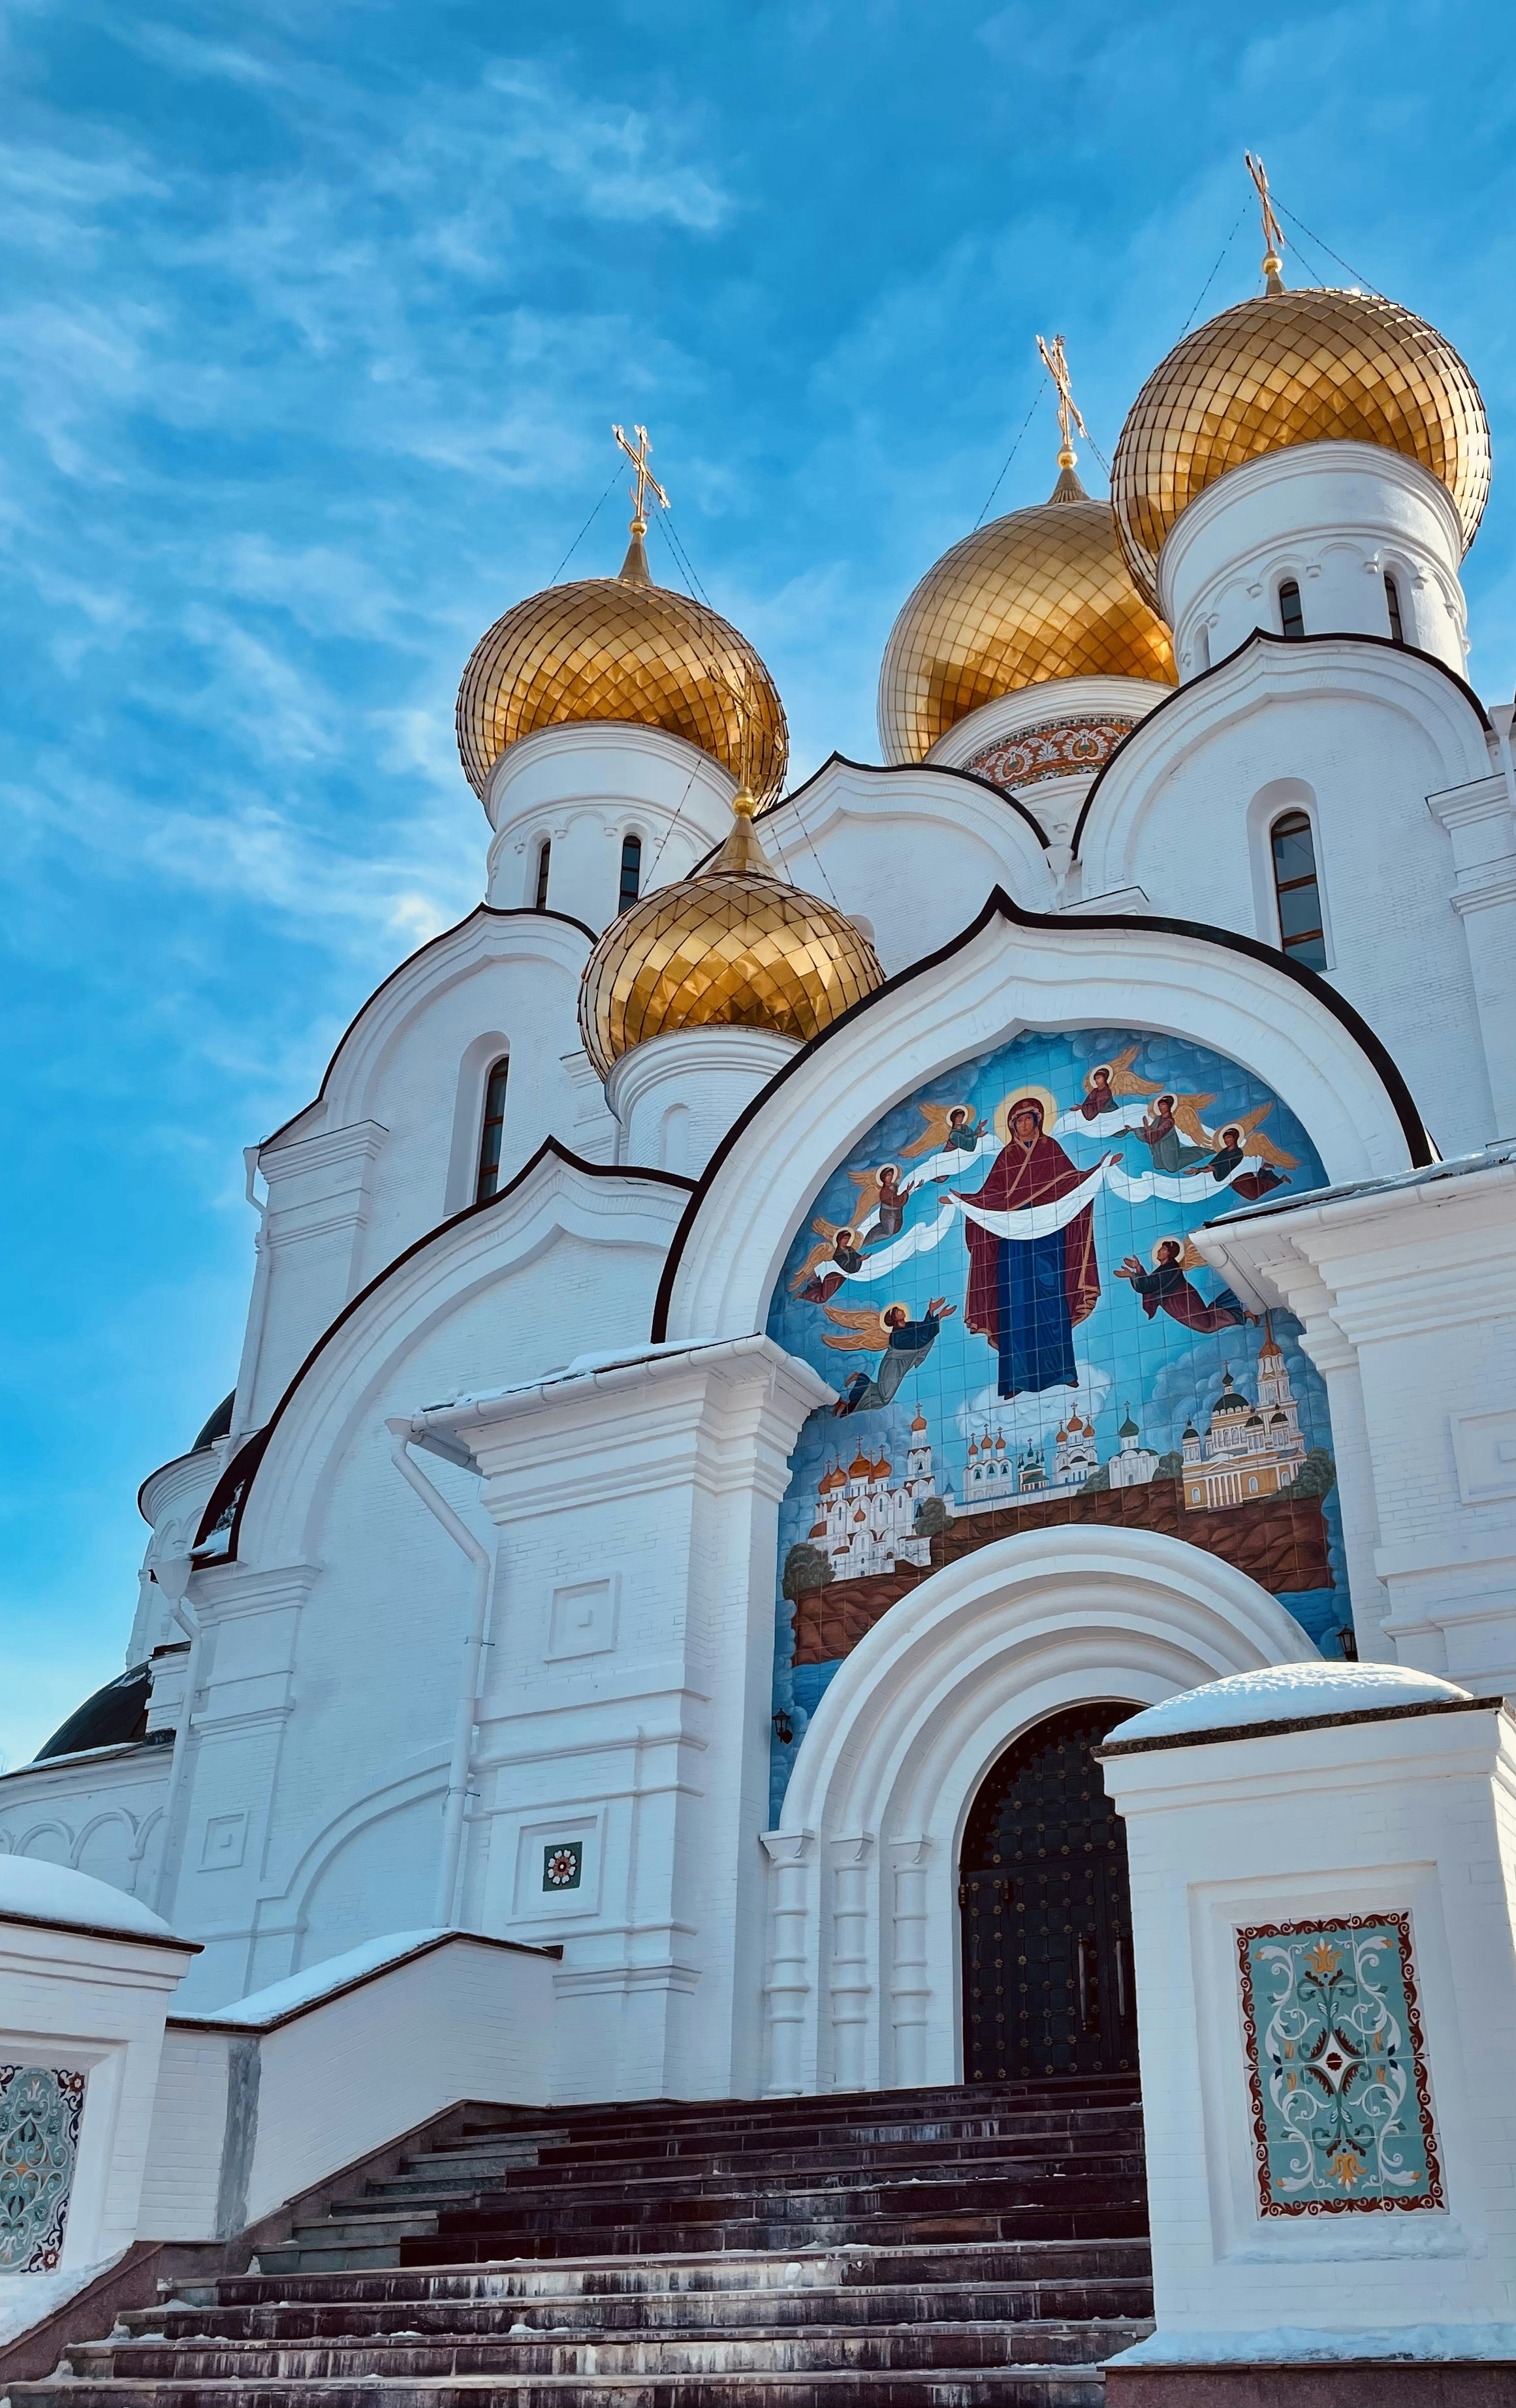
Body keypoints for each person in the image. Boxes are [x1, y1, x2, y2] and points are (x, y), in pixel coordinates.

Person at [957, 1100, 1105, 1398]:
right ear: (1012, 1126)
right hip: (1013, 1246)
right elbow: (991, 1196)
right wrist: (964, 1202)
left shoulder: (1050, 1150)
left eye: (1028, 1120)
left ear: (1038, 1121)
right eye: (1018, 1121)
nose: (1023, 1125)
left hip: (1048, 1239)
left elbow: (1070, 1183)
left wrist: (1097, 1172)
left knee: (1052, 1302)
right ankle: (1015, 1380)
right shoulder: (1007, 1157)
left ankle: (1063, 1370)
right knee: (1016, 1307)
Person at [1118, 1238, 1254, 1334]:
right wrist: (1139, 1268)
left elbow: (1150, 1284)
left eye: (1163, 1249)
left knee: (1206, 1325)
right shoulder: (1165, 1269)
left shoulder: (1169, 1268)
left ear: (1170, 1254)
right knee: (1207, 1323)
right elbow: (1152, 1283)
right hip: (1178, 1301)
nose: (1159, 1251)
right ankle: (1242, 1307)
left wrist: (1132, 1275)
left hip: (1181, 1300)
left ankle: (1240, 1301)